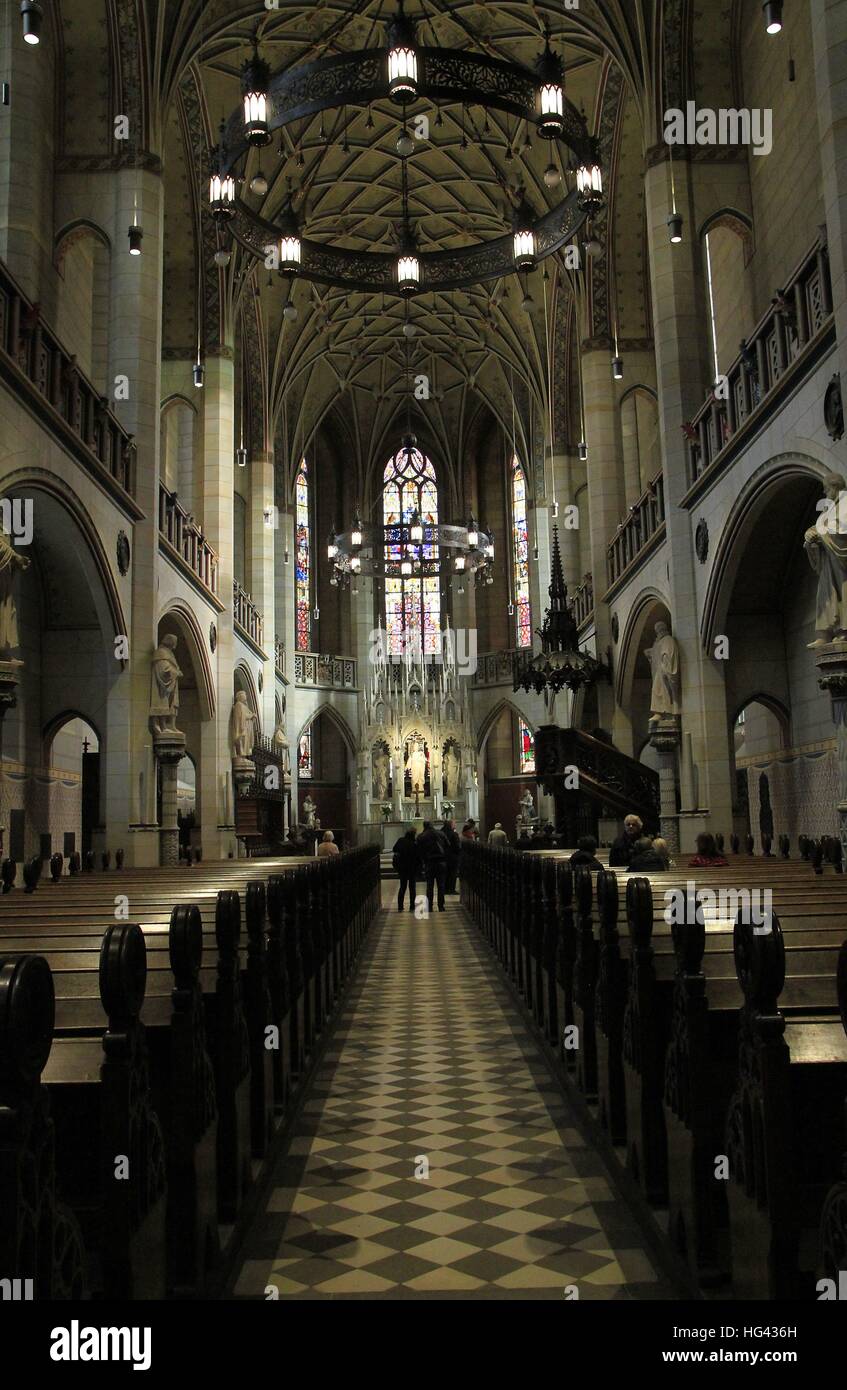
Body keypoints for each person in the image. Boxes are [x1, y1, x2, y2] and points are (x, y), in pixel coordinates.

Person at [417, 821, 448, 912]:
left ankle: (430, 906)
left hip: (429, 863)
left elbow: (419, 851)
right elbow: (448, 845)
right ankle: (441, 906)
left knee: (429, 886)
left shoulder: (421, 836)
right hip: (441, 862)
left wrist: (423, 861)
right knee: (441, 886)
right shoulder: (441, 834)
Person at [392, 828, 420, 911]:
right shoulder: (414, 843)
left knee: (402, 887)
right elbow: (418, 856)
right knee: (412, 888)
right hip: (412, 868)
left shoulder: (401, 840)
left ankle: (400, 906)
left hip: (402, 868)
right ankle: (412, 906)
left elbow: (394, 849)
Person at [441, 818, 461, 894]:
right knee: (453, 874)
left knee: (445, 874)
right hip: (453, 857)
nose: (455, 825)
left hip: (443, 856)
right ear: (451, 825)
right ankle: (451, 889)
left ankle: (445, 889)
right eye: (454, 824)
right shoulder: (454, 834)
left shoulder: (441, 832)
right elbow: (457, 846)